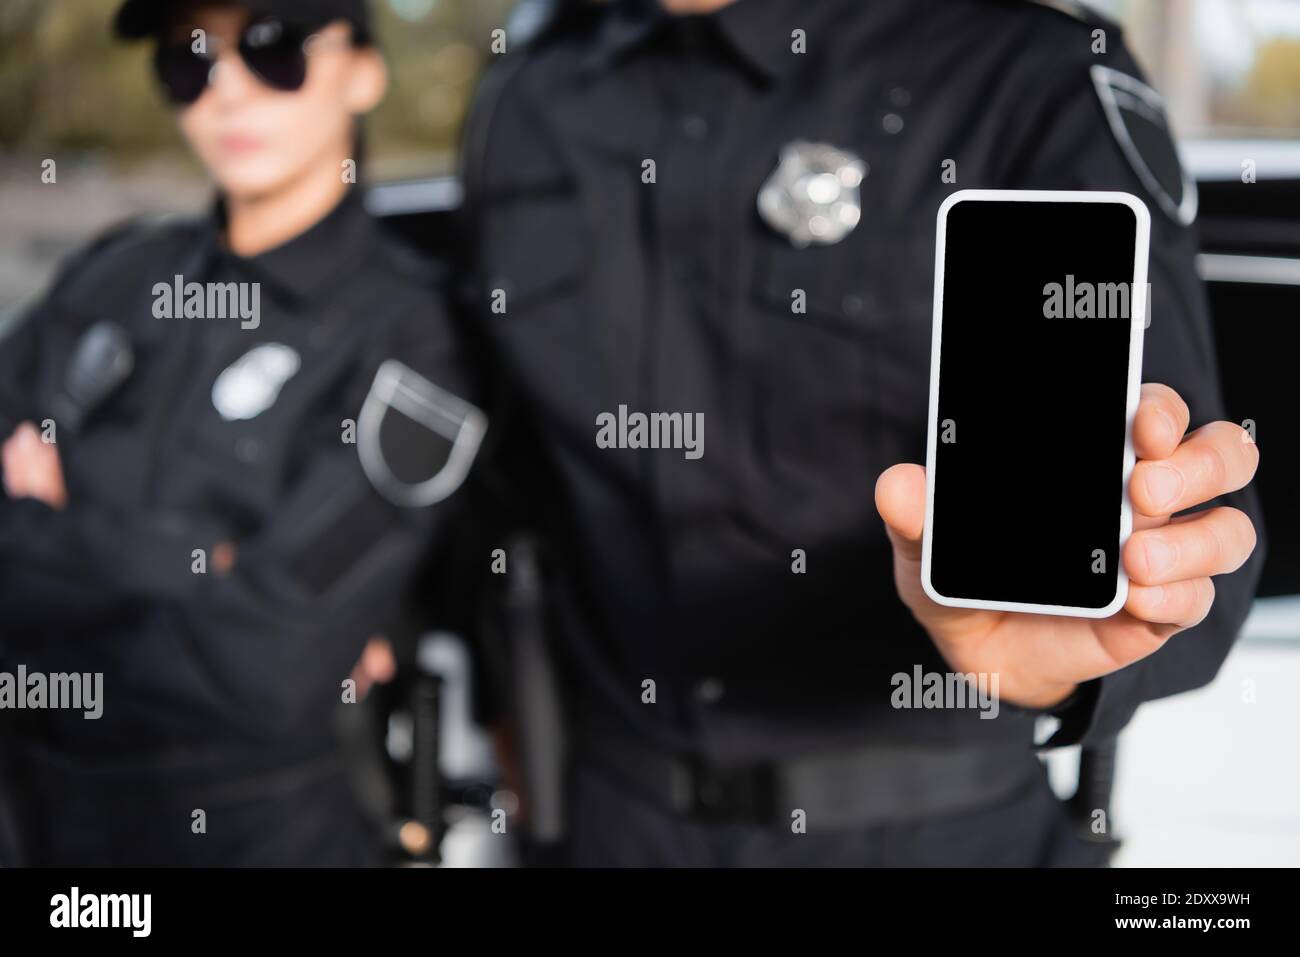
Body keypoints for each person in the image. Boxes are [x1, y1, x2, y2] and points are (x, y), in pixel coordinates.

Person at [459, 0, 1263, 866]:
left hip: (937, 836)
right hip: (604, 822)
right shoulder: (529, 96)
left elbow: (1182, 503)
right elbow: (499, 479)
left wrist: (1073, 650)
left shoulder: (1022, 75)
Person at [0, 0, 483, 865]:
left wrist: (48, 541)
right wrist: (195, 558)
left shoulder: (418, 341)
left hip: (257, 832)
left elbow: (261, 669)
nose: (227, 90)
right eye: (190, 59)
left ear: (364, 70)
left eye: (274, 48)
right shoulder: (113, 278)